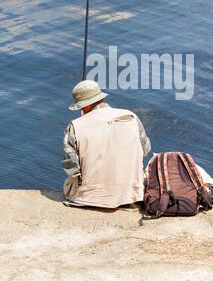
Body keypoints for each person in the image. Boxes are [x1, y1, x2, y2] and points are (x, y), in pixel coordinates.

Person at [62, 80, 151, 208]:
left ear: (85, 106)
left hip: (89, 198)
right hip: (131, 194)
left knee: (68, 184)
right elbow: (145, 149)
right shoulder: (130, 116)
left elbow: (71, 167)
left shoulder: (75, 126)